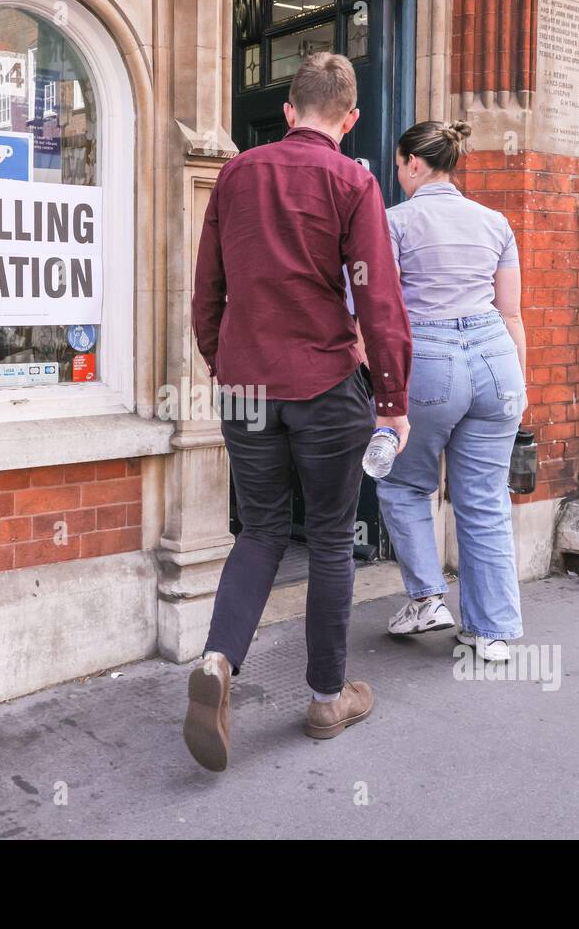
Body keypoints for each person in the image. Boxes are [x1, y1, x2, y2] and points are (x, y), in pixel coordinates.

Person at [185, 53, 412, 771]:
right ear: (348, 120)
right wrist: (393, 400)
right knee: (332, 539)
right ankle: (323, 698)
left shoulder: (236, 174)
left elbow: (206, 293)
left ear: (287, 111)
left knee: (257, 532)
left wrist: (227, 363)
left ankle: (219, 662)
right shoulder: (353, 180)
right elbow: (379, 299)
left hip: (248, 383)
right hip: (323, 385)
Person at [377, 120, 527, 662]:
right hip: (496, 359)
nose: (398, 175)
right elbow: (510, 311)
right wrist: (520, 386)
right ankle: (493, 633)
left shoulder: (393, 222)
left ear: (414, 163)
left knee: (403, 483)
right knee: (485, 500)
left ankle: (426, 601)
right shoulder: (496, 222)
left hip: (430, 360)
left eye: (399, 165)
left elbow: (383, 312)